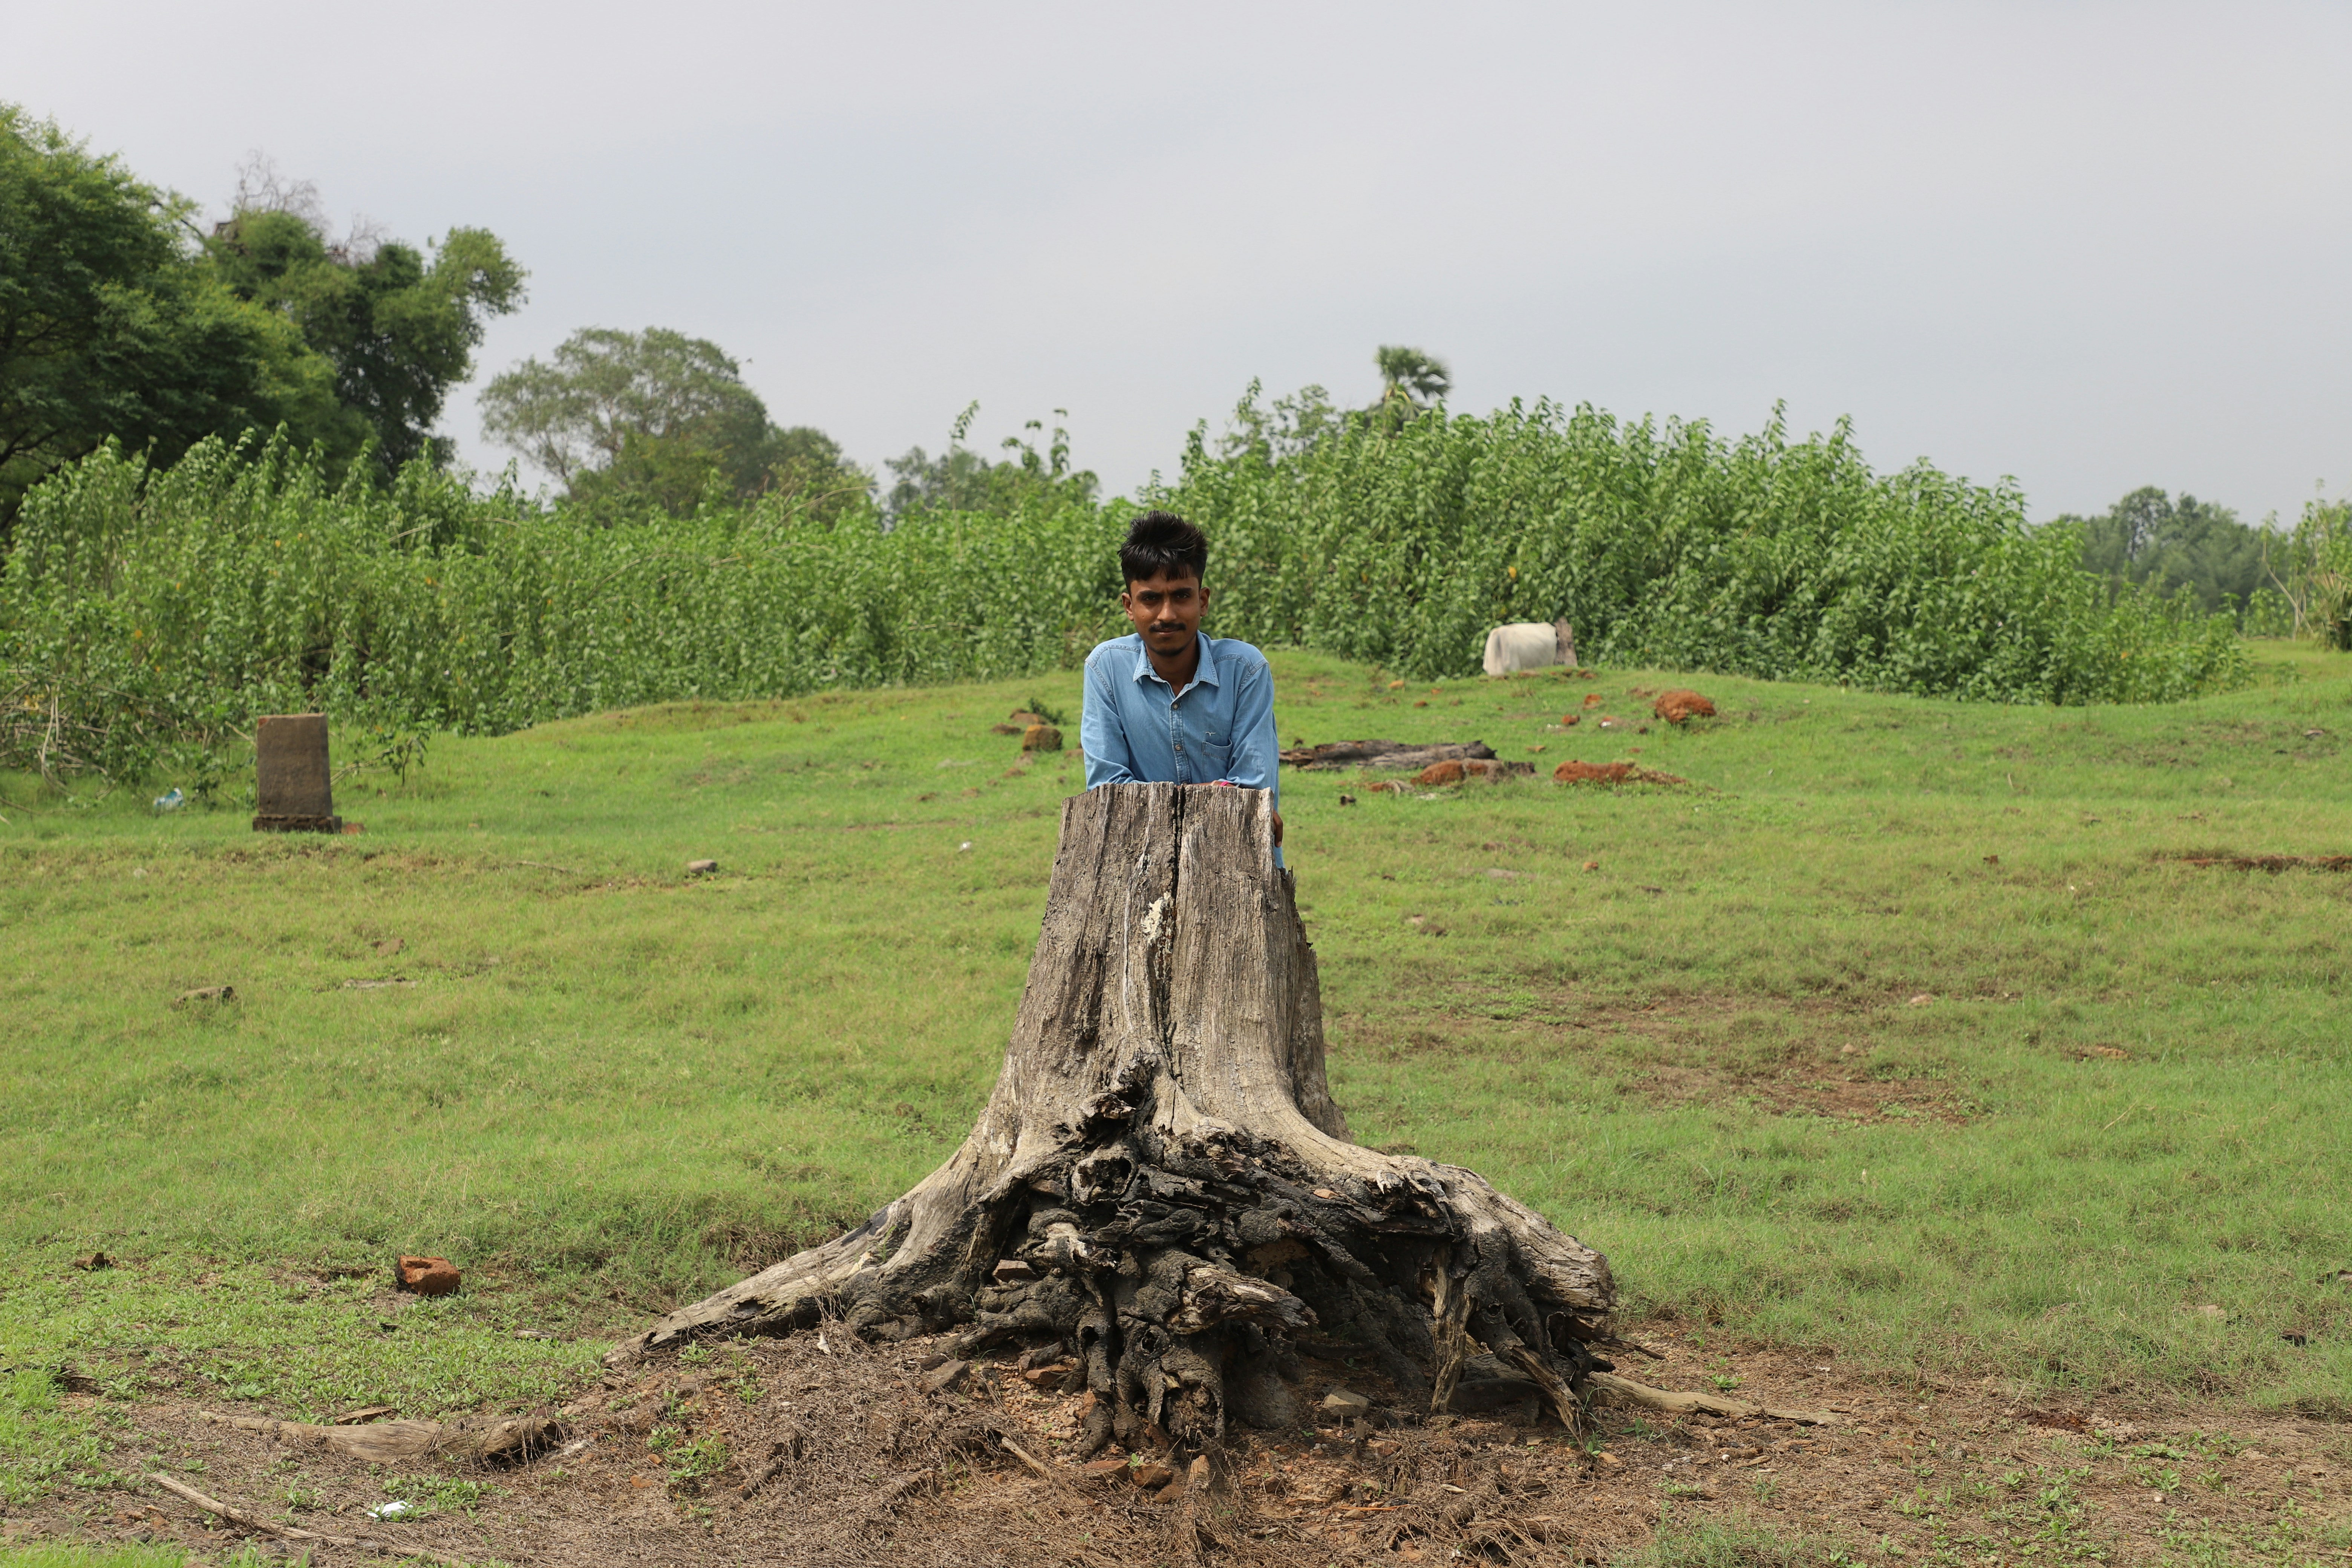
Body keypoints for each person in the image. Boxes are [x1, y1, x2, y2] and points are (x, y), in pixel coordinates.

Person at [1081, 511, 1284, 853]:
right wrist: (1221, 791)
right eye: (1150, 599)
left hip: (1237, 864)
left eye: (1181, 596)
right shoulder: (1106, 668)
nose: (1167, 615)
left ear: (1202, 601)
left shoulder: (1245, 670)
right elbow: (1108, 793)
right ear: (1129, 606)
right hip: (1140, 866)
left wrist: (1154, 802)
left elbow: (1253, 791)